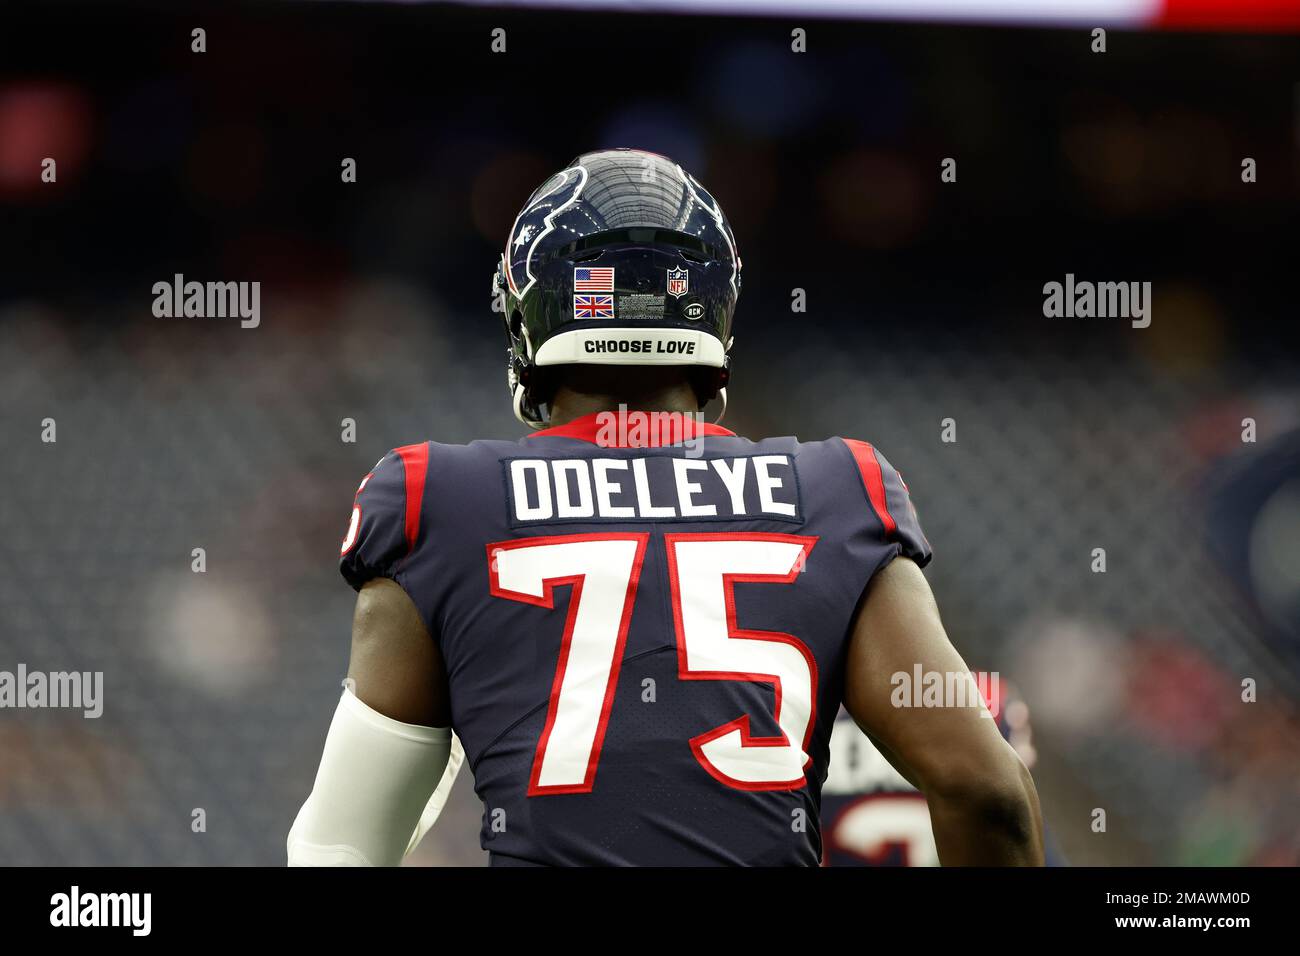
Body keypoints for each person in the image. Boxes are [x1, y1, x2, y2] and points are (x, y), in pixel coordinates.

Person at [287, 148, 1043, 866]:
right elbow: (985, 790)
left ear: (531, 316)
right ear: (713, 321)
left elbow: (340, 847)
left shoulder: (436, 499)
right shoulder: (842, 489)